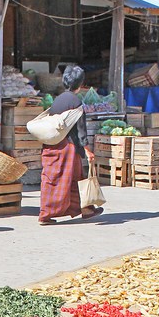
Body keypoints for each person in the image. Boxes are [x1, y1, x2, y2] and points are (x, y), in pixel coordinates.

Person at [39, 65, 99, 226]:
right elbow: (81, 130)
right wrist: (88, 150)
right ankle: (46, 214)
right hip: (68, 148)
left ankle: (86, 208)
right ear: (80, 84)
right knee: (65, 180)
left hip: (52, 145)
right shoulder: (76, 102)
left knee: (58, 178)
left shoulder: (57, 99)